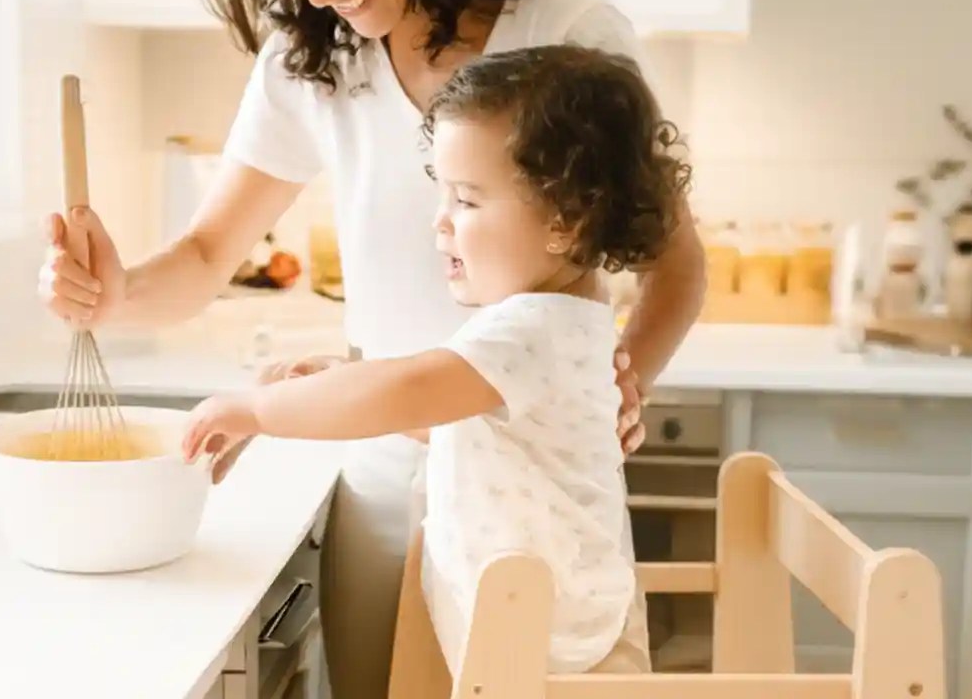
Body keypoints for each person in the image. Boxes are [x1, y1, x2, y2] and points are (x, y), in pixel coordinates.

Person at [37, 0, 707, 695]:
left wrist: (595, 400)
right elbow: (207, 256)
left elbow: (674, 266)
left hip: (517, 496)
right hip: (394, 454)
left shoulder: (569, 30)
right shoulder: (310, 50)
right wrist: (115, 295)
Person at [182, 43, 690, 677]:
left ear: (565, 221)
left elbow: (409, 390)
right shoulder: (561, 323)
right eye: (442, 194)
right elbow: (465, 427)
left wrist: (255, 409)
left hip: (532, 641)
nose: (440, 224)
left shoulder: (531, 331)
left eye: (467, 201)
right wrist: (343, 379)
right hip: (533, 626)